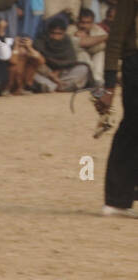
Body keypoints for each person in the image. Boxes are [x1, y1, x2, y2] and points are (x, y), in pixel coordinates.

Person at [98, 0, 136, 214]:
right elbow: (116, 38)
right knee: (132, 128)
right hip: (135, 64)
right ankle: (116, 201)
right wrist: (110, 85)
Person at [33, 13, 90, 86]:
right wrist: (50, 74)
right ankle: (54, 85)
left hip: (63, 73)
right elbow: (38, 62)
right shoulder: (40, 41)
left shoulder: (67, 41)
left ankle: (62, 85)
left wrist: (58, 71)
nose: (55, 37)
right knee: (33, 72)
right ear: (48, 32)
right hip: (46, 73)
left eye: (59, 34)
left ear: (64, 33)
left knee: (83, 69)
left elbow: (71, 60)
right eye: (53, 33)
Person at [73, 6, 107, 81]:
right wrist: (91, 42)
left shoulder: (97, 29)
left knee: (100, 54)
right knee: (82, 53)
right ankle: (90, 80)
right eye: (82, 22)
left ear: (92, 23)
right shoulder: (72, 29)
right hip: (77, 61)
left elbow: (104, 46)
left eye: (88, 23)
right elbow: (81, 44)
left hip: (94, 56)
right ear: (78, 21)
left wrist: (88, 39)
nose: (84, 25)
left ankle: (98, 81)